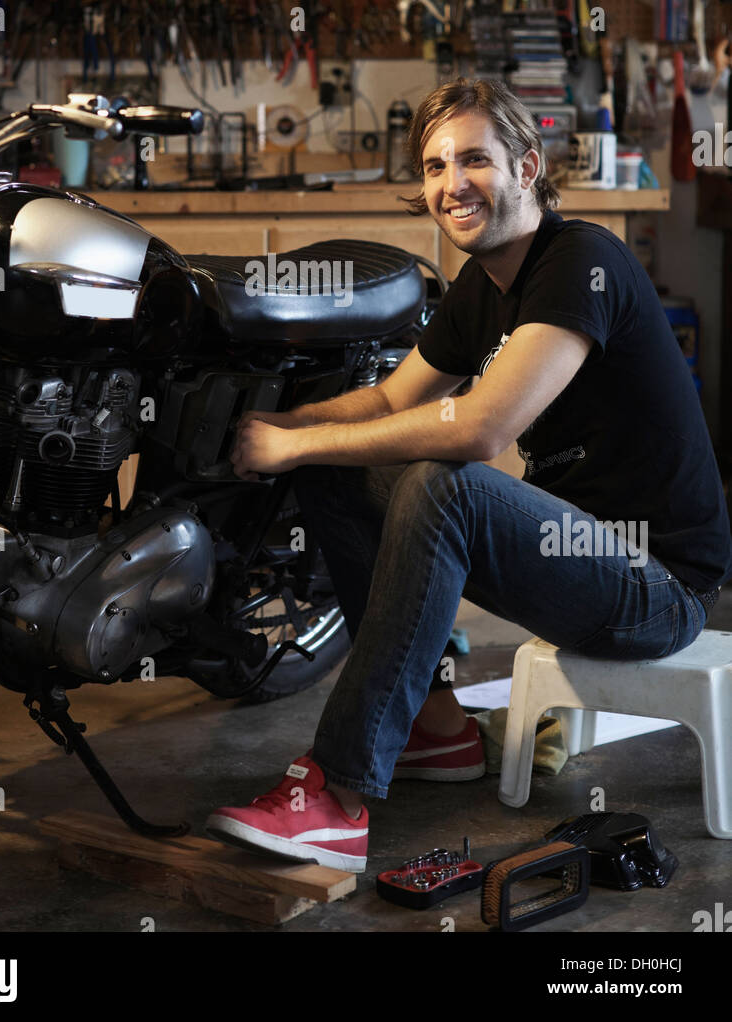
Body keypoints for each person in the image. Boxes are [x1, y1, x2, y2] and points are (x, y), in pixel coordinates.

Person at [205, 76, 732, 873]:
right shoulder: (481, 289)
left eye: (475, 160)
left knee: (443, 484)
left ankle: (337, 799)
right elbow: (390, 399)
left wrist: (295, 447)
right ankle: (436, 731)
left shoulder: (579, 260)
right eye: (436, 166)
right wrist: (288, 428)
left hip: (660, 585)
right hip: (576, 559)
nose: (453, 184)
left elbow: (482, 429)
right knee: (352, 473)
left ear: (526, 167)